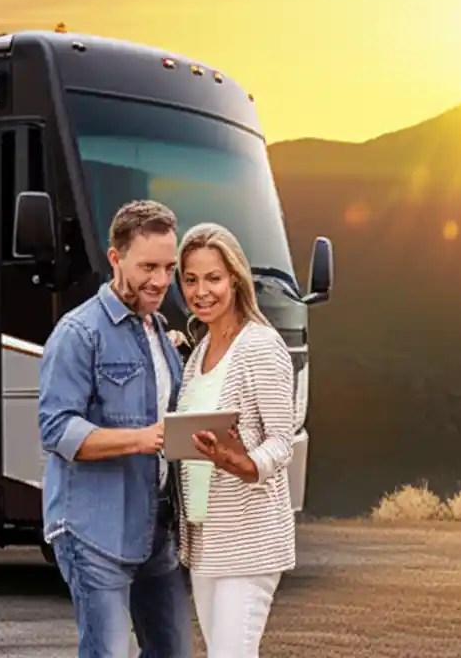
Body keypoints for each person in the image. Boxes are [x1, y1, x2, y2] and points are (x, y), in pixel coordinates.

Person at [38, 199, 193, 658]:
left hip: (155, 532)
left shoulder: (160, 332)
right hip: (94, 532)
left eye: (169, 267)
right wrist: (144, 438)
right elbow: (57, 429)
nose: (161, 280)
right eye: (148, 266)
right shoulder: (78, 332)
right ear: (115, 259)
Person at [172, 222, 298, 657]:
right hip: (205, 541)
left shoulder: (261, 346)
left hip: (250, 541)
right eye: (190, 280)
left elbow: (282, 440)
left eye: (213, 278)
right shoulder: (197, 354)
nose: (201, 291)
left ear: (235, 280)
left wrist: (244, 464)